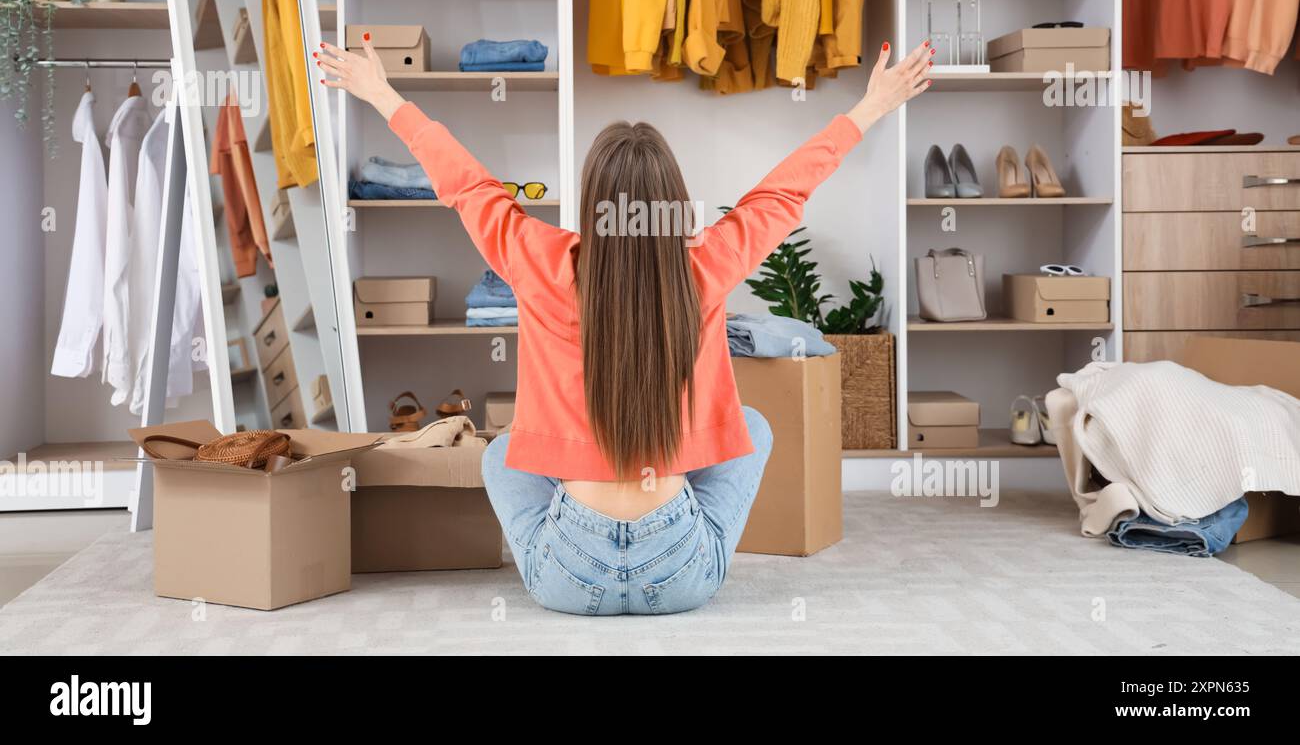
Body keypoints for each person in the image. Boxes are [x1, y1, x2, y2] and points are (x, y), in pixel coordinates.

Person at [315, 36, 932, 615]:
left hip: (565, 576)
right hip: (682, 573)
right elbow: (783, 194)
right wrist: (872, 105)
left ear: (590, 202)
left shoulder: (541, 260)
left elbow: (469, 186)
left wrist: (382, 93)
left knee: (502, 452)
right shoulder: (705, 266)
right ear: (673, 201)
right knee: (754, 428)